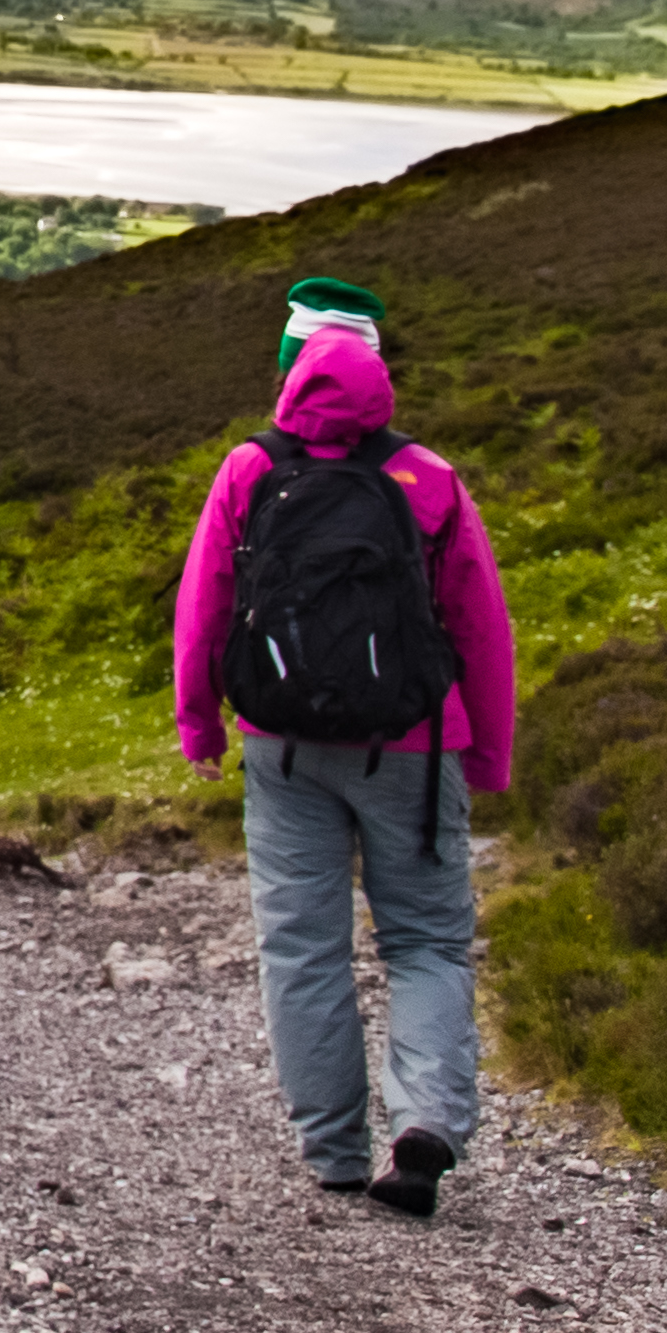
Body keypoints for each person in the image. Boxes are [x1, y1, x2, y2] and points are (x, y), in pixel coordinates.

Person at [170, 276, 517, 1220]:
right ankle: (423, 1129)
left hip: (281, 745)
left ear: (291, 376)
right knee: (428, 942)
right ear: (381, 382)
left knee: (301, 946)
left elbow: (203, 602)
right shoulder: (430, 478)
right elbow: (480, 627)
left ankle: (331, 1149)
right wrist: (485, 754)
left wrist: (200, 719)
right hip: (412, 748)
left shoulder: (250, 469)